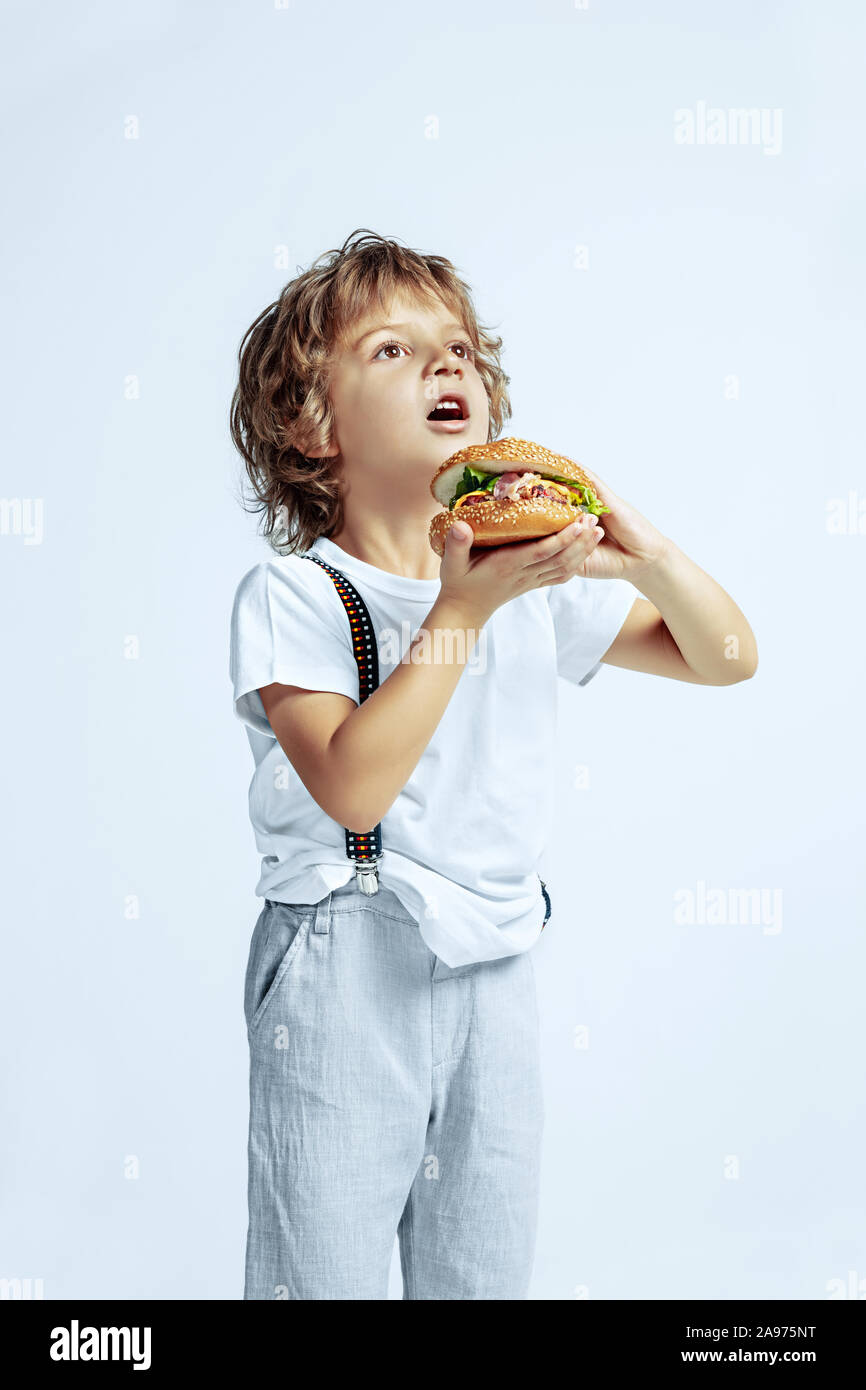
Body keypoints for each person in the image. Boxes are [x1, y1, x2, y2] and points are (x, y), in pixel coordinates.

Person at [228, 228, 758, 1300]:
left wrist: (645, 554)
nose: (445, 364)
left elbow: (727, 659)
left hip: (498, 963)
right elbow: (352, 784)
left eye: (461, 348)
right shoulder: (295, 596)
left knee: (478, 1279)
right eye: (392, 349)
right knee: (317, 1275)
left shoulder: (528, 587)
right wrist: (460, 611)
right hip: (344, 962)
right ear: (311, 425)